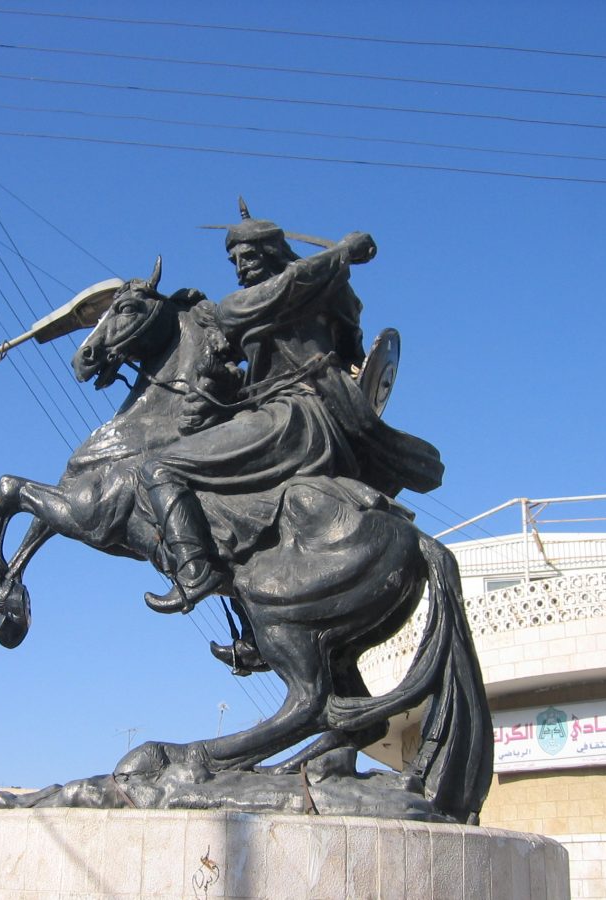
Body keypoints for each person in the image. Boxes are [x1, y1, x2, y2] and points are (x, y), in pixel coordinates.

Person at [139, 201, 444, 658]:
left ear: (273, 251)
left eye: (249, 255)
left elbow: (344, 343)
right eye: (234, 259)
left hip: (295, 420)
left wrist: (339, 256)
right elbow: (288, 302)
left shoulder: (287, 293)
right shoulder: (267, 299)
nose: (241, 266)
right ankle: (253, 627)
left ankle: (194, 569)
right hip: (293, 416)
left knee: (160, 467)